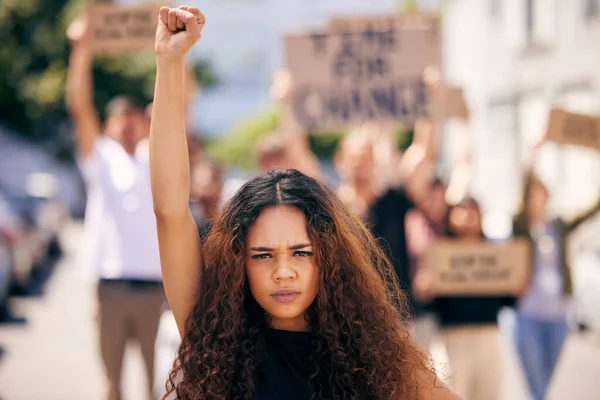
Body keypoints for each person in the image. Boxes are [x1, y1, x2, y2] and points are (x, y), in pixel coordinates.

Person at [149, 6, 464, 399]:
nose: (284, 271)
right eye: (263, 255)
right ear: (238, 263)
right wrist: (169, 62)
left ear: (328, 257)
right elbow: (170, 211)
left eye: (300, 252)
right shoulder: (215, 337)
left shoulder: (379, 356)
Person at [66, 16, 164, 400]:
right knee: (112, 385)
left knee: (155, 383)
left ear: (142, 123)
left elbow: (179, 112)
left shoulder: (153, 159)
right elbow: (79, 107)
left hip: (154, 289)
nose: (126, 125)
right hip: (111, 288)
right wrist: (81, 51)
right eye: (118, 119)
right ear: (108, 125)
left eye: (132, 118)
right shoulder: (101, 160)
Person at [414, 197, 514, 400]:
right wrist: (425, 290)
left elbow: (507, 299)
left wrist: (517, 287)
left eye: (472, 211)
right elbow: (431, 302)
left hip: (488, 335)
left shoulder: (494, 254)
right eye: (462, 211)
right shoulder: (439, 253)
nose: (468, 217)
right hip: (453, 337)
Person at [512, 171, 600, 400]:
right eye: (532, 194)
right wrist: (533, 155)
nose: (537, 199)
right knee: (537, 386)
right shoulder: (521, 227)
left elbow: (587, 213)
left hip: (558, 316)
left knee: (550, 382)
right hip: (528, 316)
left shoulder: (558, 226)